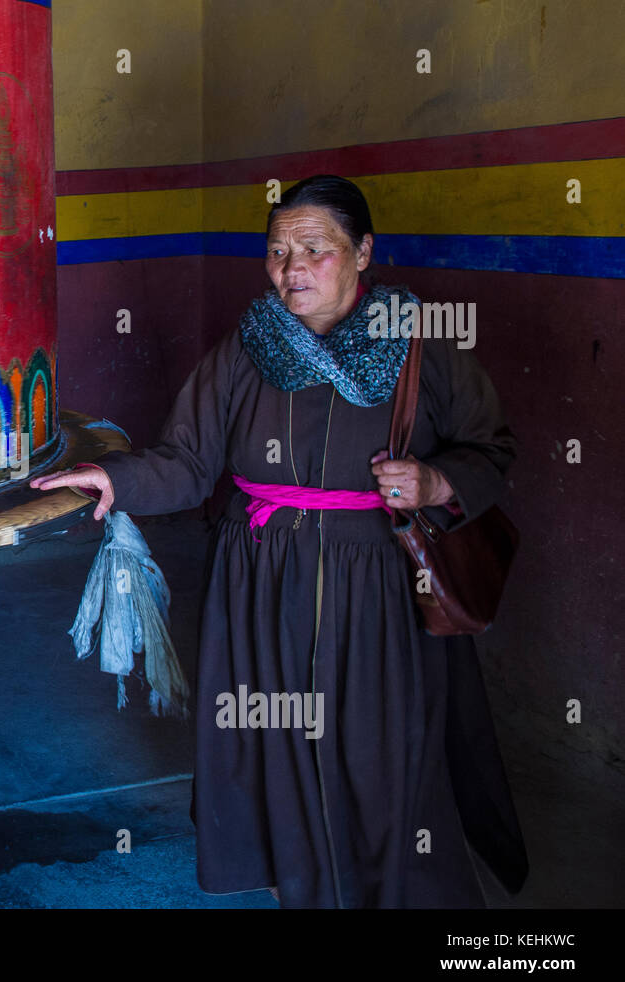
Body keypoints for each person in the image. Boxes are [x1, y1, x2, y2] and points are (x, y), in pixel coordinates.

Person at [31, 175, 527, 908]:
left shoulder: (423, 343)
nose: (292, 269)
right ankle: (297, 883)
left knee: (380, 748)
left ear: (363, 252)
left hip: (379, 585)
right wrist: (116, 480)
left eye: (314, 250)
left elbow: (491, 451)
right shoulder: (247, 347)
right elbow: (189, 462)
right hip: (261, 579)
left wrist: (432, 482)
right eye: (277, 252)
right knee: (276, 744)